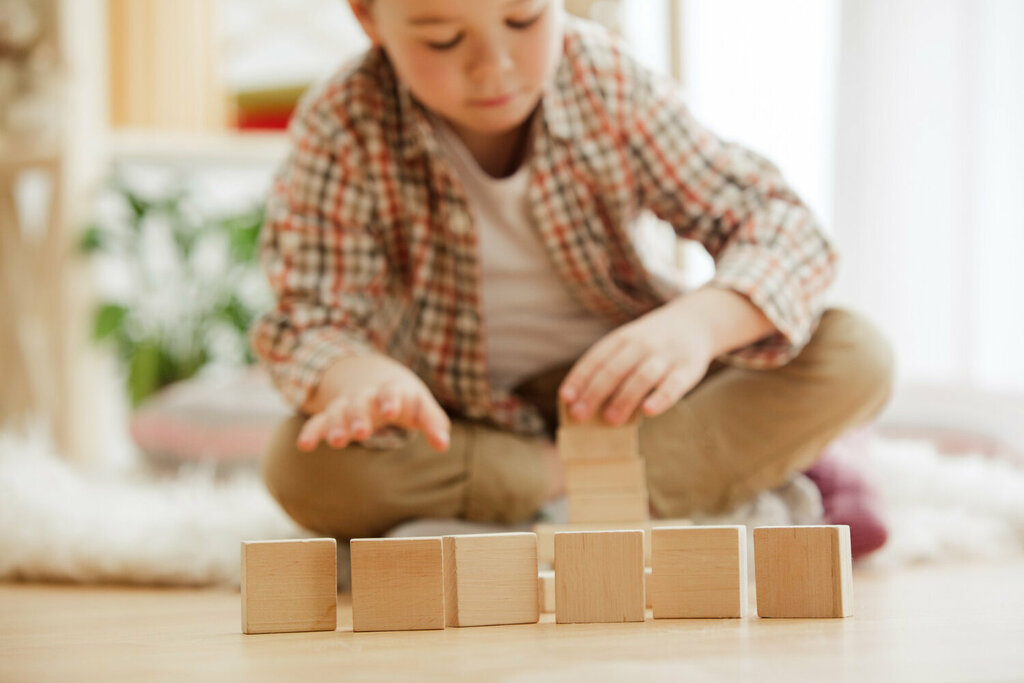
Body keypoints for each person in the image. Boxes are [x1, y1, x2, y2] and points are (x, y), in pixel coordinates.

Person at [251, 0, 893, 557]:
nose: (494, 66)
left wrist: (699, 325)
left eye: (524, 19)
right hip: (466, 421)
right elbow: (309, 318)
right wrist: (362, 378)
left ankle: (540, 505)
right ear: (368, 16)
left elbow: (778, 224)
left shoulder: (603, 78)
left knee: (854, 352)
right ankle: (651, 487)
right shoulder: (342, 123)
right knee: (301, 467)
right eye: (442, 39)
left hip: (636, 399)